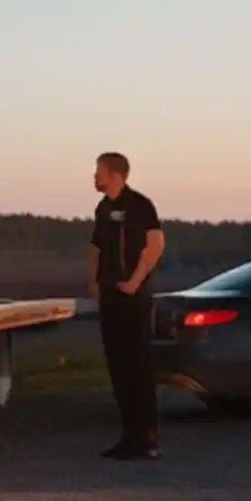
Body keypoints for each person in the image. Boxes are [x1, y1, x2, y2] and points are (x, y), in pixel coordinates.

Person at [87, 151, 166, 460]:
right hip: (110, 298)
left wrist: (134, 281)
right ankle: (129, 435)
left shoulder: (139, 205)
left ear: (116, 173)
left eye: (99, 171)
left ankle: (148, 437)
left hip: (133, 298)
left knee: (138, 368)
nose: (95, 176)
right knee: (118, 368)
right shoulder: (103, 208)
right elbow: (95, 247)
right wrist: (93, 281)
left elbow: (156, 244)